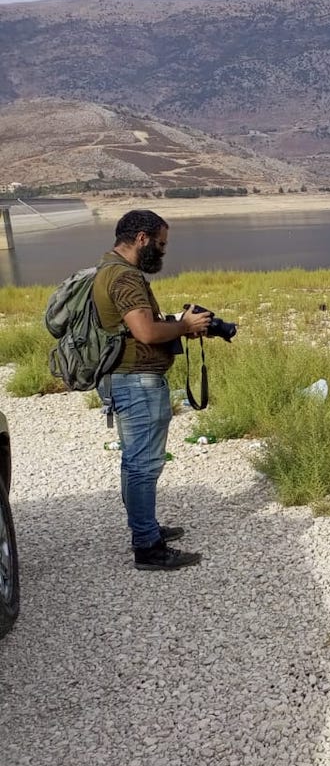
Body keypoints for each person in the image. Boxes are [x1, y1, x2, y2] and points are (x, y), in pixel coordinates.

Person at [94, 209, 211, 570]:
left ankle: (146, 528)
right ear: (141, 239)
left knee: (135, 463)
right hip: (137, 381)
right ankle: (147, 546)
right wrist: (184, 326)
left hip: (126, 378)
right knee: (143, 465)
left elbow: (137, 328)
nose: (162, 252)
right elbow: (145, 332)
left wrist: (177, 327)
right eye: (160, 244)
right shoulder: (125, 278)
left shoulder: (107, 269)